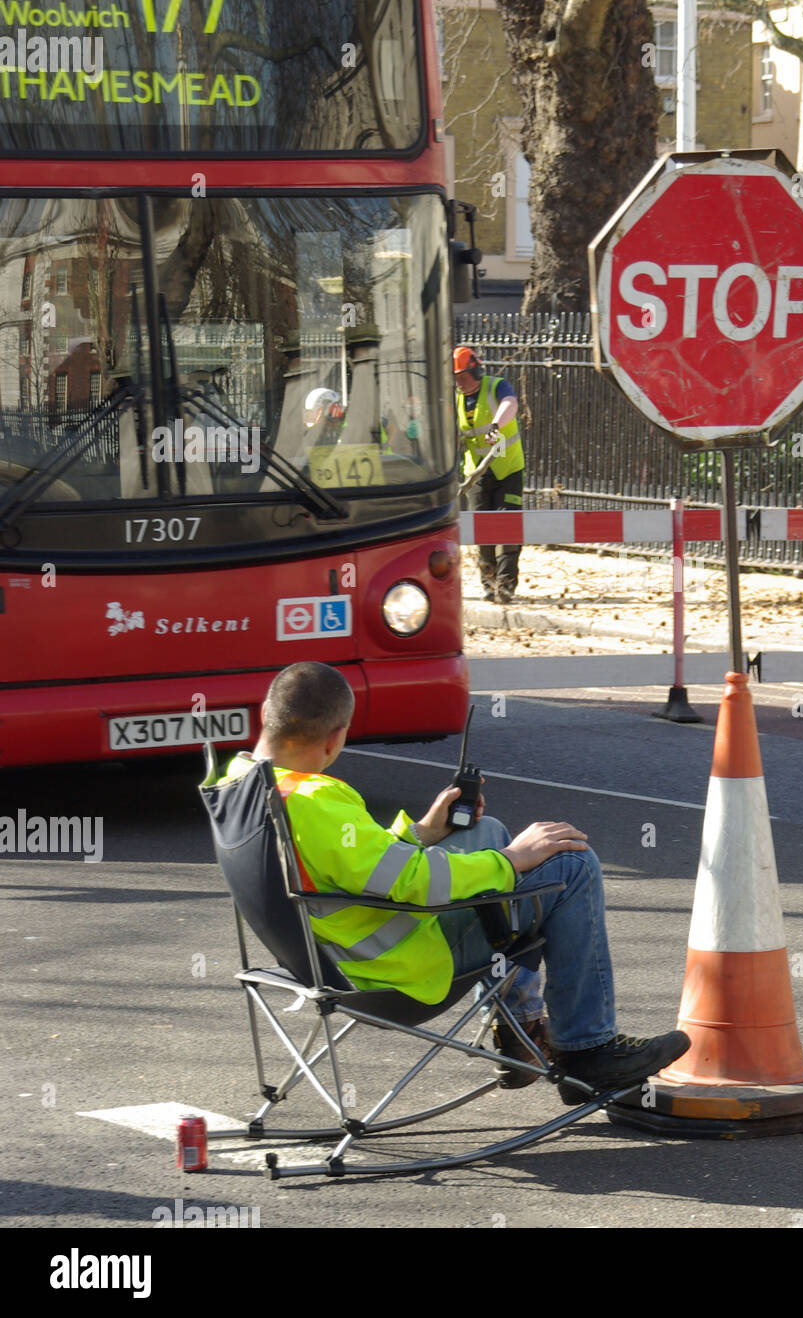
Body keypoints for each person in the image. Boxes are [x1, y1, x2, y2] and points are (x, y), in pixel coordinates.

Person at [226, 661, 689, 1102]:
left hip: (327, 958)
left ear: (266, 717)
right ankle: (587, 1051)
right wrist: (509, 861)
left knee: (480, 830)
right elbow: (418, 884)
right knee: (571, 863)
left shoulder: (241, 783)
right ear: (334, 739)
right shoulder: (317, 799)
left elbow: (345, 868)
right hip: (395, 971)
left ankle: (520, 1031)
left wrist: (422, 832)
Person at [454, 345, 524, 604]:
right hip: (477, 473)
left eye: (463, 376)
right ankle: (489, 582)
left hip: (508, 469)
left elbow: (511, 403)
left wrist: (496, 425)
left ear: (475, 370)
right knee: (482, 529)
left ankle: (506, 585)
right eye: (456, 378)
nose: (460, 382)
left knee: (508, 527)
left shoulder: (497, 386)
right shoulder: (458, 399)